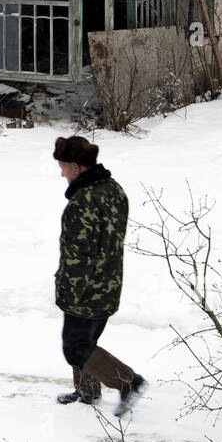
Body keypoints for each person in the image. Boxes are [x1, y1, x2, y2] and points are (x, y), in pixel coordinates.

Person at [52, 135, 146, 417]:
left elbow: (77, 256)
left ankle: (129, 381)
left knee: (76, 348)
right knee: (88, 343)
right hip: (109, 282)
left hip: (85, 290)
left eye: (63, 167)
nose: (61, 172)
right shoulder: (114, 190)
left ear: (77, 167)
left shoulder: (82, 202)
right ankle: (87, 391)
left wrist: (67, 291)